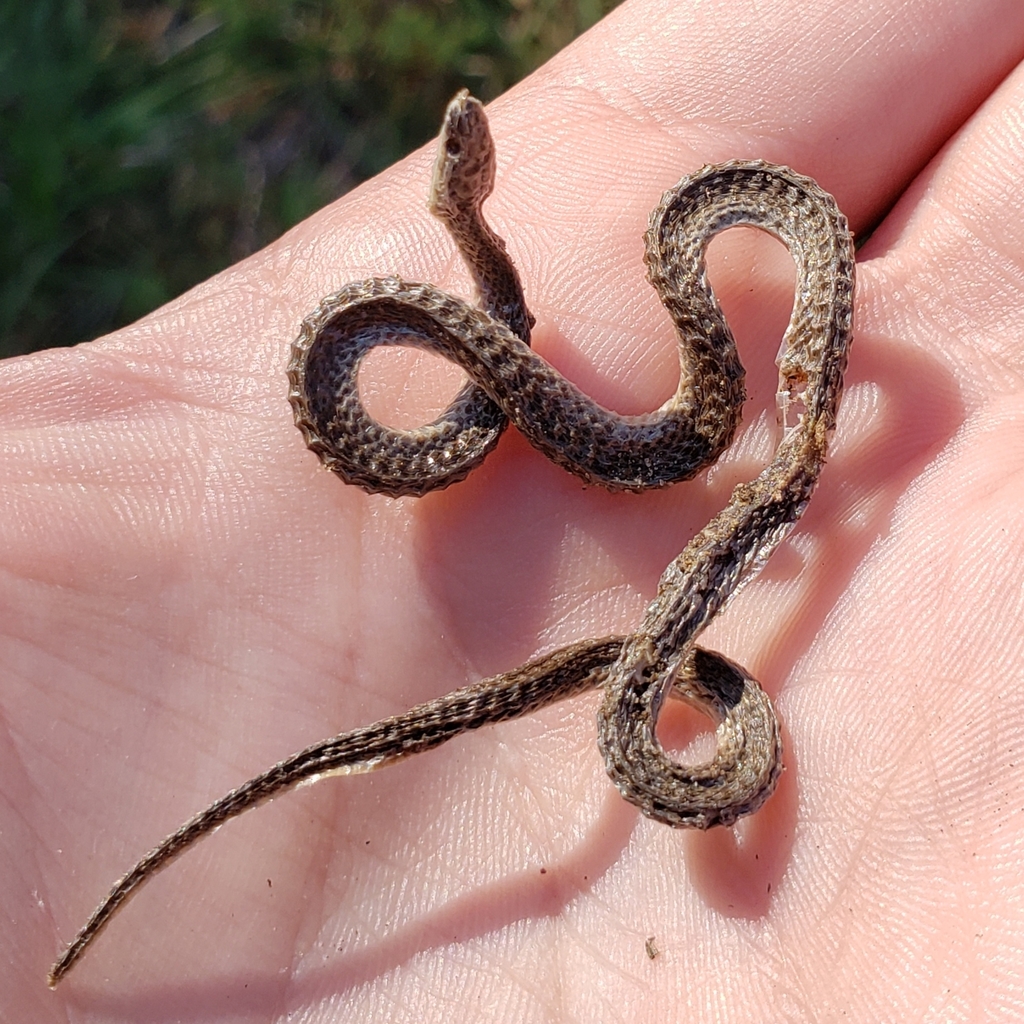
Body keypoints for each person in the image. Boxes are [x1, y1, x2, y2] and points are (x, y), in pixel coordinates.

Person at [5, 0, 1024, 1016]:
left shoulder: (680, 251)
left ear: (467, 194)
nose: (463, 123)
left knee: (566, 322)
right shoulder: (447, 327)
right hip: (563, 375)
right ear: (470, 193)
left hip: (626, 393)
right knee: (521, 332)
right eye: (462, 154)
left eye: (466, 151)